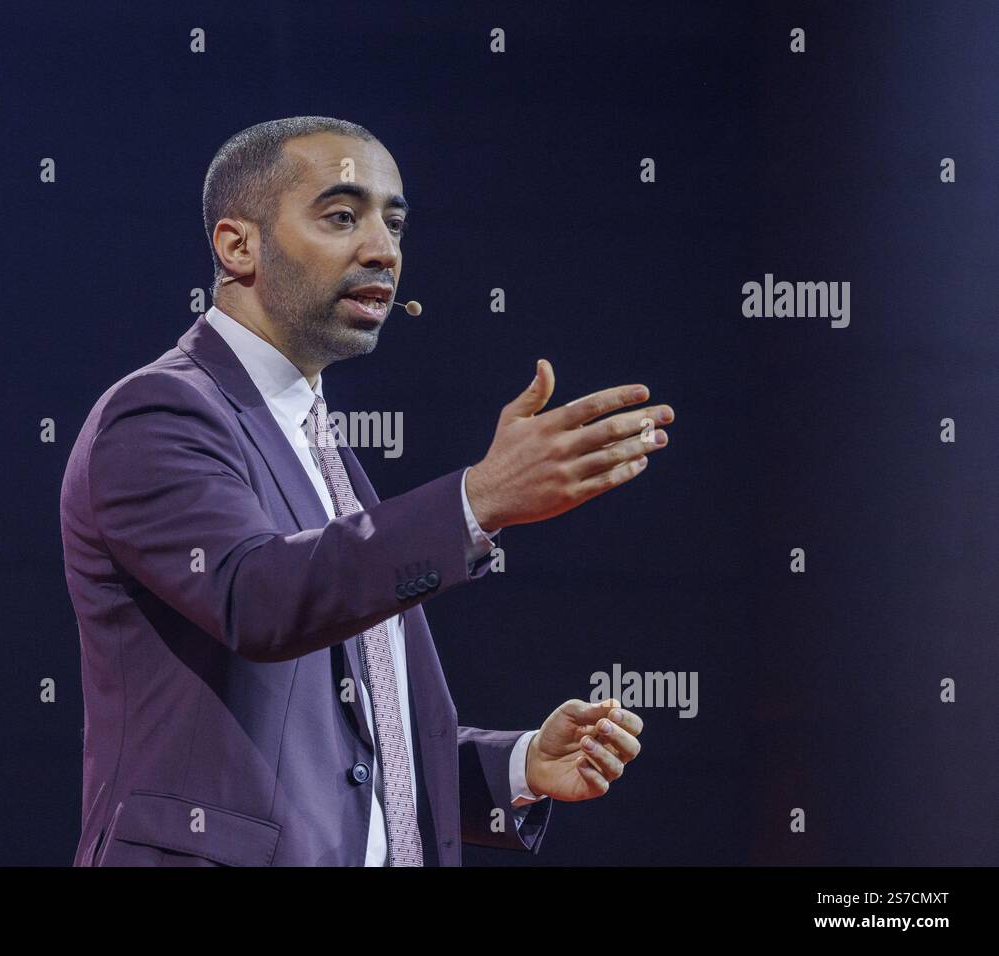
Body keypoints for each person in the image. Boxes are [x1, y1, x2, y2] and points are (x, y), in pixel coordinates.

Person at [60, 116, 671, 866]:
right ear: (236, 245)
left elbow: (346, 747)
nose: (383, 250)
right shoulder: (158, 414)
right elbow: (257, 597)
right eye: (342, 216)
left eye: (395, 222)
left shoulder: (323, 451)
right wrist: (475, 502)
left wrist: (517, 767)